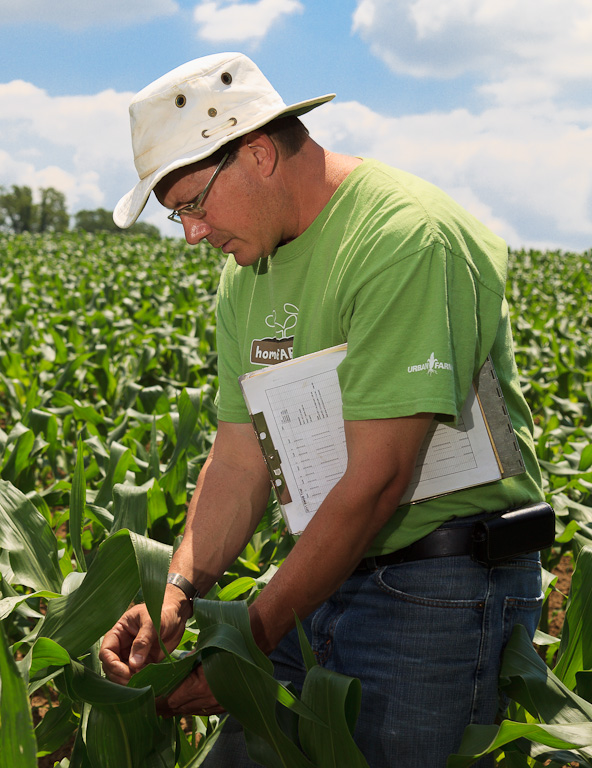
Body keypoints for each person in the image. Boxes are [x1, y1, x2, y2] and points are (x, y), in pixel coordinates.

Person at [100, 52, 547, 767]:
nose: (191, 233)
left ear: (256, 154)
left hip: (441, 586)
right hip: (319, 571)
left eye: (193, 204)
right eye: (176, 214)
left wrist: (251, 640)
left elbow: (376, 480)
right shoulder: (245, 274)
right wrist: (176, 590)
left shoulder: (402, 240)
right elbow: (239, 457)